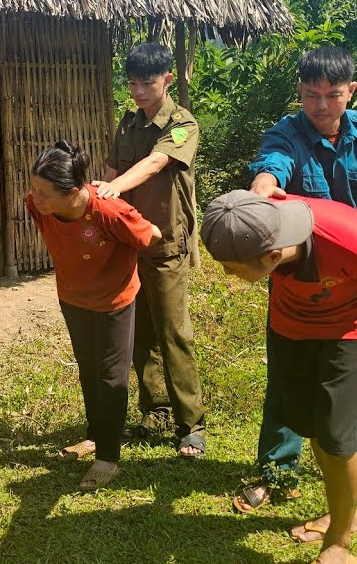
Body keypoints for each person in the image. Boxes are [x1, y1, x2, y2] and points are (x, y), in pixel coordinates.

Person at [237, 46, 357, 517]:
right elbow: (272, 165)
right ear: (300, 92)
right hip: (301, 280)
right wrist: (262, 190)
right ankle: (278, 469)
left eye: (333, 95)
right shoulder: (286, 133)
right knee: (287, 374)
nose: (322, 106)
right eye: (312, 95)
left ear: (351, 91)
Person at [200, 190, 357, 564]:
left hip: (353, 327)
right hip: (292, 326)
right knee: (314, 425)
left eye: (231, 268)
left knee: (338, 439)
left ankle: (338, 544)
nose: (227, 274)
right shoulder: (257, 219)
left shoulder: (353, 240)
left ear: (272, 256)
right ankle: (346, 513)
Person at [27, 141, 160, 490]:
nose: (35, 198)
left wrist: (117, 256)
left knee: (112, 378)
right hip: (73, 297)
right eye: (34, 188)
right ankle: (95, 435)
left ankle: (108, 459)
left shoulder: (109, 211)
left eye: (44, 192)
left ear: (73, 192)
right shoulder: (38, 206)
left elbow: (153, 235)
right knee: (88, 369)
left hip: (114, 300)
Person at [96, 42, 206, 458]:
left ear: (167, 80)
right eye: (133, 83)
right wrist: (98, 198)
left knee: (173, 333)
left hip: (165, 243)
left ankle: (191, 425)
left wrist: (113, 188)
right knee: (140, 333)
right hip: (130, 244)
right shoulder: (127, 125)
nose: (139, 91)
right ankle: (155, 410)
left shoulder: (182, 124)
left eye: (148, 83)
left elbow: (156, 163)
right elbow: (111, 171)